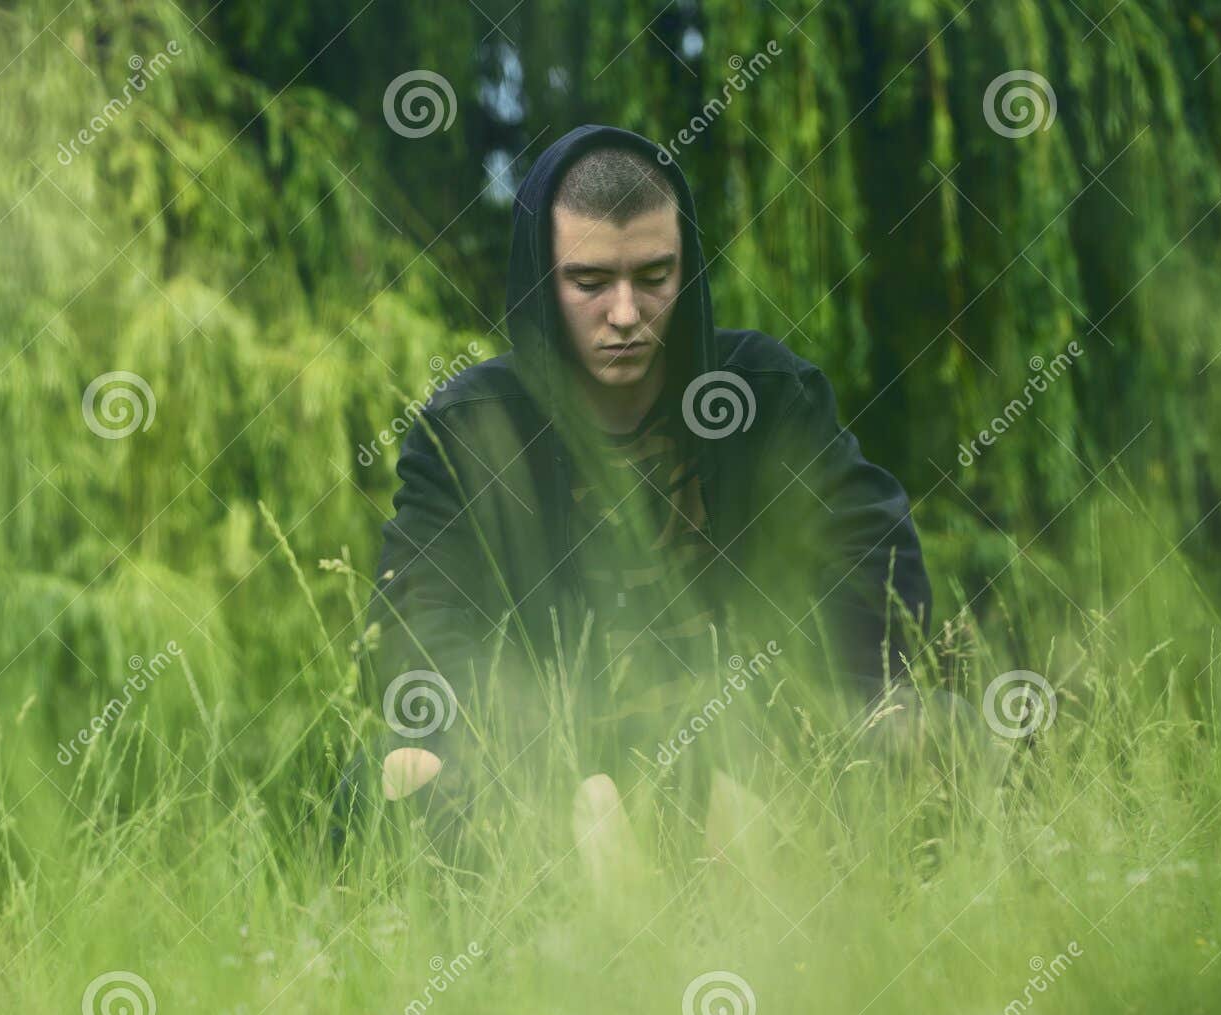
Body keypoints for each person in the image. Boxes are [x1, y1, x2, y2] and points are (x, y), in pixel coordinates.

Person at [357, 124, 936, 878]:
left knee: (937, 736)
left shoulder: (764, 391)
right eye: (591, 283)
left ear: (686, 270)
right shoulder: (470, 428)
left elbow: (874, 570)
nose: (626, 314)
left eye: (655, 276)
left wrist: (795, 743)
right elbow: (420, 626)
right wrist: (551, 776)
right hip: (549, 768)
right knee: (396, 782)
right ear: (543, 280)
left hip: (750, 741)